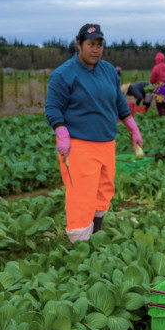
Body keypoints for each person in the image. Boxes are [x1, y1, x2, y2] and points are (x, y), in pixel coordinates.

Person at [46, 24, 144, 243]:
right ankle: (78, 245)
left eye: (99, 45)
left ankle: (95, 235)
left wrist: (132, 127)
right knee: (81, 194)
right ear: (79, 45)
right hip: (79, 144)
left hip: (106, 141)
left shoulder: (108, 71)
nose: (95, 50)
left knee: (104, 189)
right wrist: (61, 132)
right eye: (90, 44)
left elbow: (119, 103)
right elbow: (53, 107)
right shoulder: (63, 74)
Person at [149, 52, 165, 116]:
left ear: (156, 59)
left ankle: (162, 122)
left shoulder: (155, 68)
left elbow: (152, 80)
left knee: (160, 108)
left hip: (159, 88)